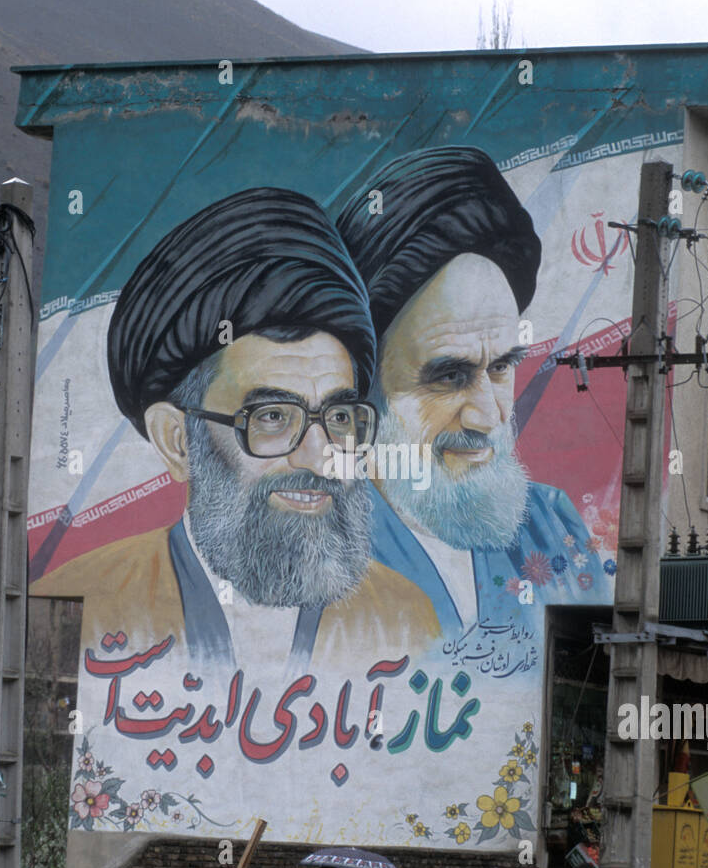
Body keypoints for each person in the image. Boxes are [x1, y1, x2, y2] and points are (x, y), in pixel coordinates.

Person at [30, 188, 439, 673]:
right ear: (176, 441)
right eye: (271, 417)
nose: (319, 457)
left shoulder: (405, 619)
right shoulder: (94, 601)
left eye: (339, 418)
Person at [336, 147, 610, 641]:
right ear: (362, 392)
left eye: (502, 367)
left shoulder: (550, 528)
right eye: (448, 377)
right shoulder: (315, 547)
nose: (487, 416)